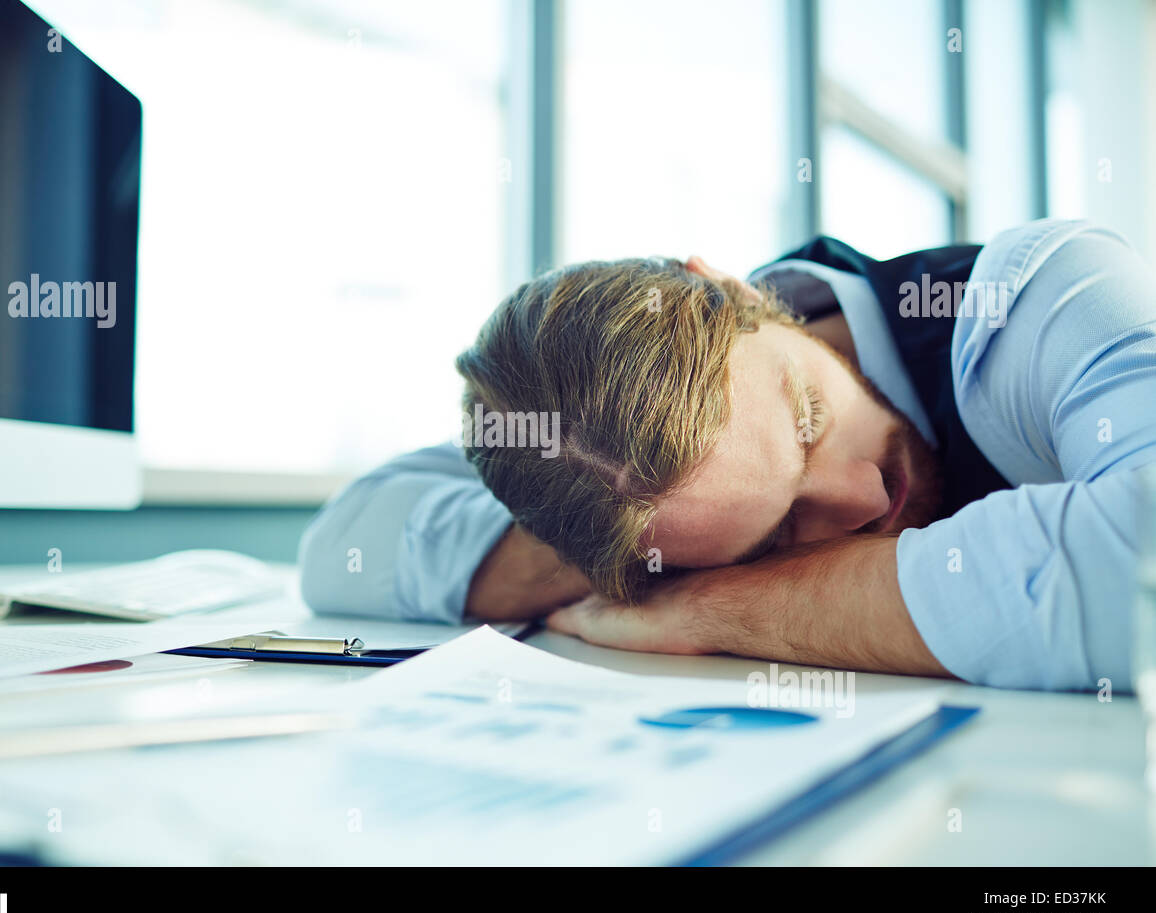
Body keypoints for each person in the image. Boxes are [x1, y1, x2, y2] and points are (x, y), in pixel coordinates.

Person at [299, 219, 1156, 692]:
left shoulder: (1035, 295)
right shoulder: (591, 455)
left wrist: (713, 604)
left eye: (810, 418)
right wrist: (622, 557)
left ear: (743, 295)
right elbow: (347, 547)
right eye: (775, 533)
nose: (865, 499)